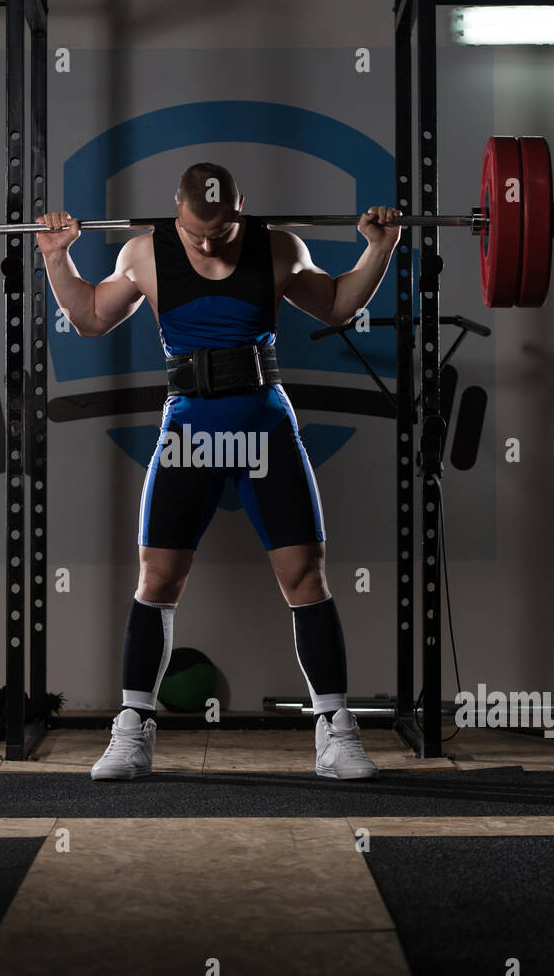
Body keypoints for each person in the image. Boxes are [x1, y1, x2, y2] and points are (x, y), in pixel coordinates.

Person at [37, 163, 401, 782]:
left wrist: (380, 249)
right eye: (196, 231)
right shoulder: (144, 251)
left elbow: (337, 304)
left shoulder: (279, 247)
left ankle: (336, 733)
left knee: (305, 574)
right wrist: (55, 258)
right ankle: (133, 730)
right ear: (175, 209)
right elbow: (93, 316)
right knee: (157, 578)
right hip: (189, 430)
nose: (207, 242)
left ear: (241, 205)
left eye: (221, 228)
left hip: (264, 423)